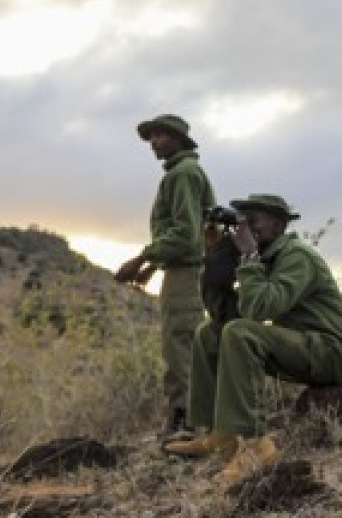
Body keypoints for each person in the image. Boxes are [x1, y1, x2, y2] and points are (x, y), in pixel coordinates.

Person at [162, 194, 342, 485]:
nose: (246, 226)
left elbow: (261, 309)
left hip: (332, 352)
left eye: (254, 219)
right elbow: (228, 317)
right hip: (302, 346)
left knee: (239, 333)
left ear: (278, 224)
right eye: (242, 219)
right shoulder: (264, 257)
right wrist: (216, 260)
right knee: (209, 334)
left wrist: (249, 258)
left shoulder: (297, 256)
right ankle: (221, 434)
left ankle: (256, 445)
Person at [115, 114, 216, 441]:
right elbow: (185, 232)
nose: (154, 143)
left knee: (180, 344)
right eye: (151, 138)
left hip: (187, 273)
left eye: (160, 136)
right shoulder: (182, 173)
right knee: (183, 341)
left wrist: (140, 258)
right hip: (182, 270)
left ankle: (186, 423)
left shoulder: (182, 174)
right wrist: (152, 267)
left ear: (178, 139)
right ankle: (186, 419)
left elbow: (186, 234)